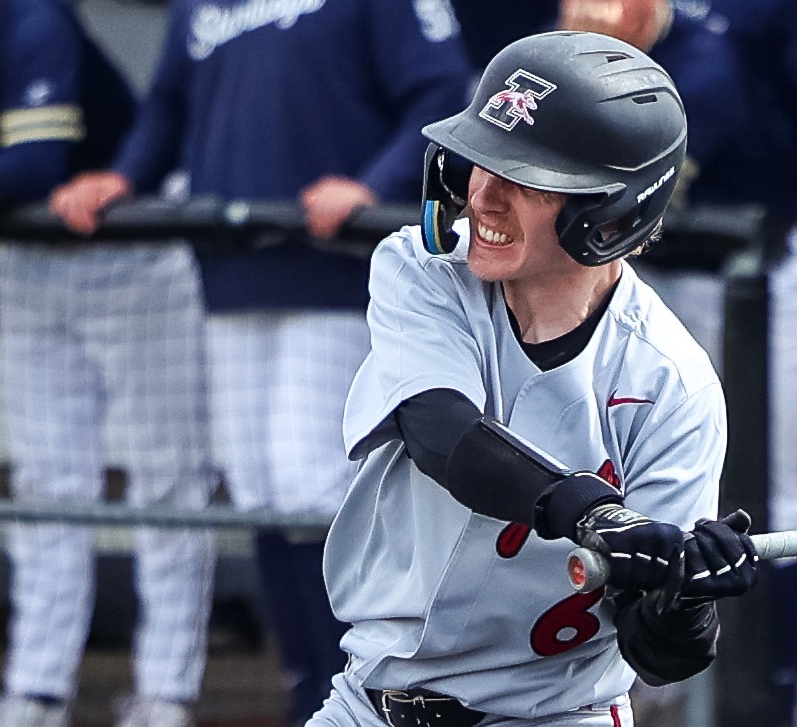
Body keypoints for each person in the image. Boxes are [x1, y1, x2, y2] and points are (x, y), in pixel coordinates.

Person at [305, 30, 759, 727]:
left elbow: (659, 655)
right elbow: (441, 430)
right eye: (478, 163)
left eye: (526, 179)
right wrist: (592, 512)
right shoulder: (424, 270)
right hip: (366, 704)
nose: (483, 197)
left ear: (607, 215)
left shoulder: (669, 381)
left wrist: (683, 598)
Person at [48, 1, 473, 724]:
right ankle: (311, 695)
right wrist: (123, 176)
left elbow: (441, 96)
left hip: (338, 278)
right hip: (230, 278)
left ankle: (358, 695)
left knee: (314, 484)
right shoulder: (201, 7)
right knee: (259, 489)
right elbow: (169, 108)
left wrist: (375, 182)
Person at [565, 0, 797, 724]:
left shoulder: (721, 39)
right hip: (650, 268)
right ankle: (647, 683)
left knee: (777, 492)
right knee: (630, 481)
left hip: (758, 257)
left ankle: (783, 695)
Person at [0, 2, 215, 726]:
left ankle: (165, 688)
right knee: (47, 478)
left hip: (133, 249)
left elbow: (32, 164)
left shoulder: (26, 15)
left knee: (165, 475)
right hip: (30, 260)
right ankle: (37, 686)